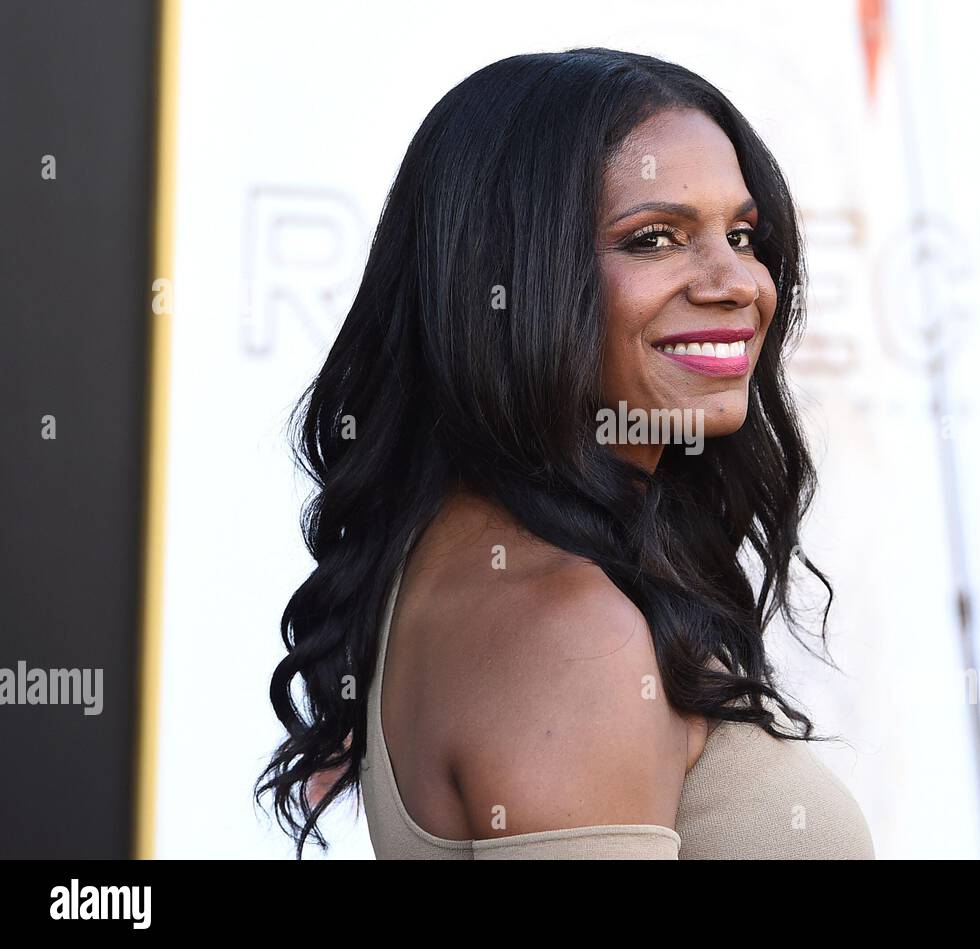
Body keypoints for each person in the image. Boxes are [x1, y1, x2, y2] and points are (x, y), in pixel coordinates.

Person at [257, 47, 874, 860]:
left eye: (743, 234)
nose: (737, 282)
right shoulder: (568, 630)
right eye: (655, 238)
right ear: (510, 277)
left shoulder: (484, 558)